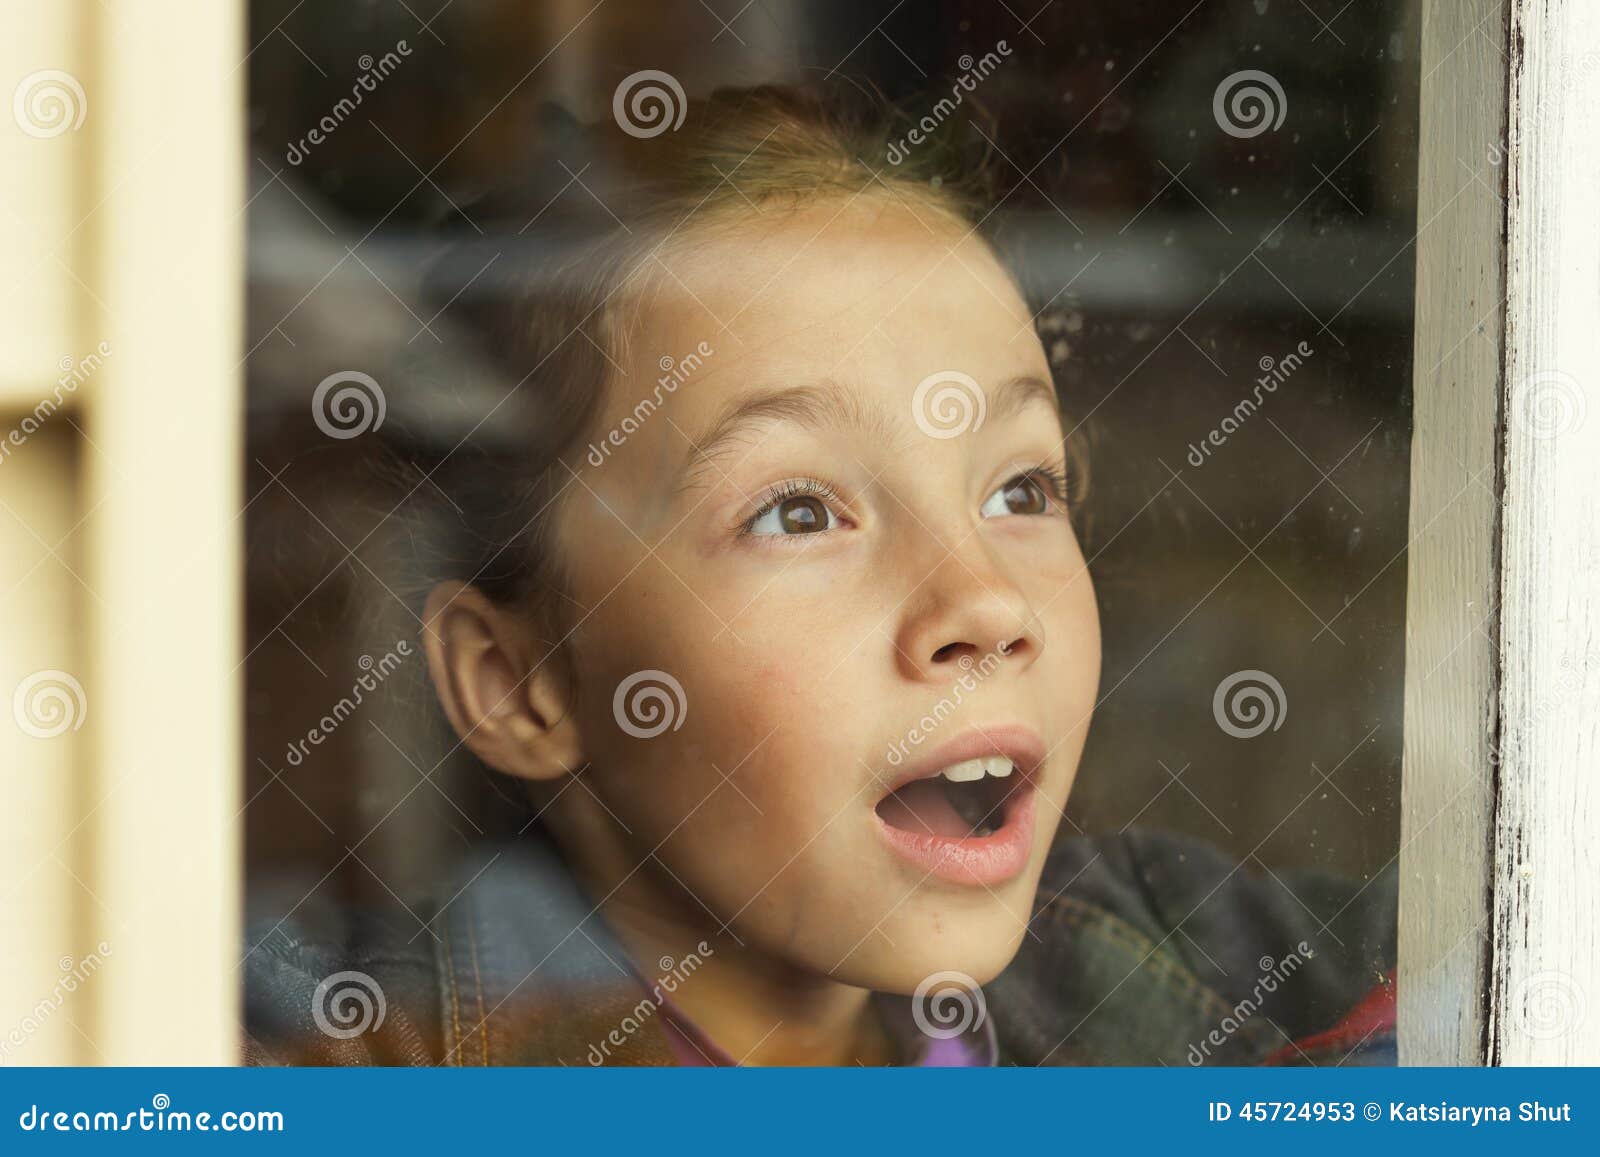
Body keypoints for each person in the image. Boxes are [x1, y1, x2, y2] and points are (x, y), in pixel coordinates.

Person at [245, 85, 1397, 1067]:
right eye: (798, 510)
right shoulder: (354, 1055)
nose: (984, 602)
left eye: (1020, 491)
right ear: (519, 681)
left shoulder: (1187, 970)